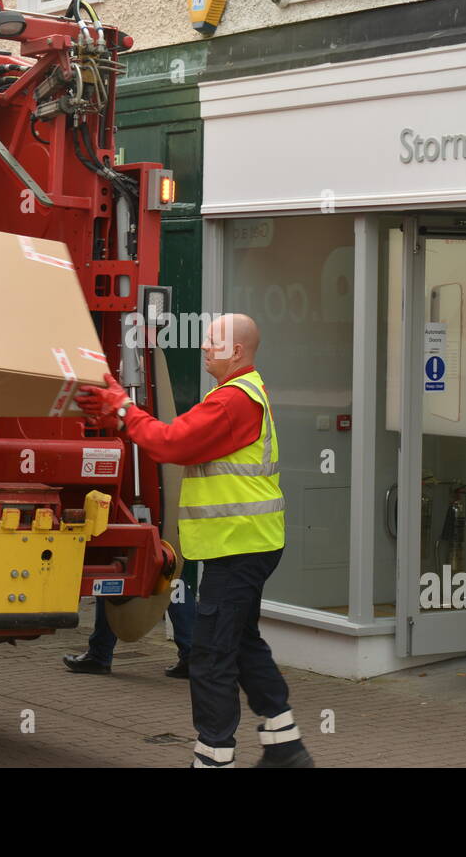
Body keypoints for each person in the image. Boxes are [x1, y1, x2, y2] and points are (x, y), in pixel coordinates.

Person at [75, 313, 313, 768]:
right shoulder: (241, 394)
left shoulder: (232, 401)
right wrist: (122, 413)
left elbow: (170, 443)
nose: (204, 347)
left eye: (212, 342)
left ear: (236, 351)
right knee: (241, 642)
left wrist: (123, 409)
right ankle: (285, 747)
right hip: (249, 542)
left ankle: (214, 757)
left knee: (211, 655)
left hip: (236, 546)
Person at [61, 562, 197, 677]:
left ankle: (99, 655)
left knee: (112, 576)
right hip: (172, 536)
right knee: (174, 578)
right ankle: (192, 656)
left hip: (135, 534)